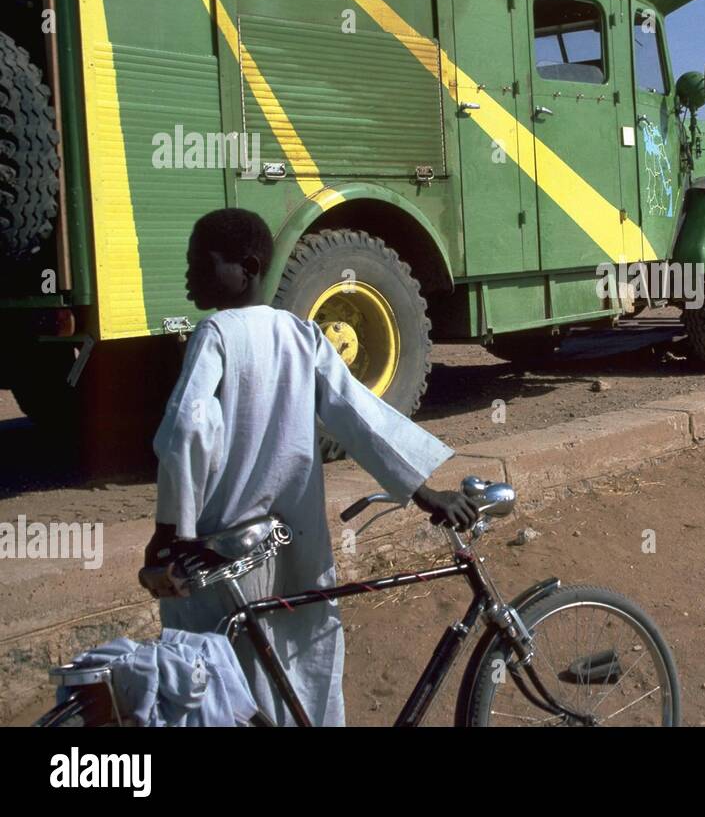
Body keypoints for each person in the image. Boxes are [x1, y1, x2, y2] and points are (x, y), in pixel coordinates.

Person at [141, 208, 477, 726]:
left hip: (220, 547)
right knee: (302, 659)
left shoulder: (216, 334)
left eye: (200, 263)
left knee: (214, 681)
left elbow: (187, 427)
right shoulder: (302, 335)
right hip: (295, 541)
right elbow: (358, 415)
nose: (188, 274)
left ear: (247, 267)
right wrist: (423, 491)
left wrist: (171, 531)